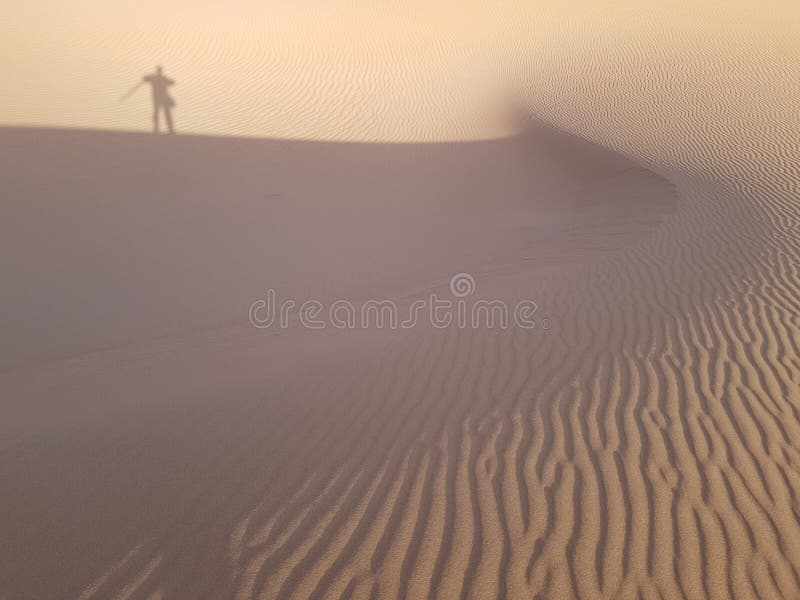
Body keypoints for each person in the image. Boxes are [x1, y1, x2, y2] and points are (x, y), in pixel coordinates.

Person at [143, 66, 175, 134]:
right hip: (159, 98)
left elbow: (172, 82)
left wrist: (151, 77)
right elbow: (145, 78)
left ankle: (168, 129)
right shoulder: (157, 78)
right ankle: (158, 129)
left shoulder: (159, 78)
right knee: (159, 113)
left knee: (163, 113)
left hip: (162, 98)